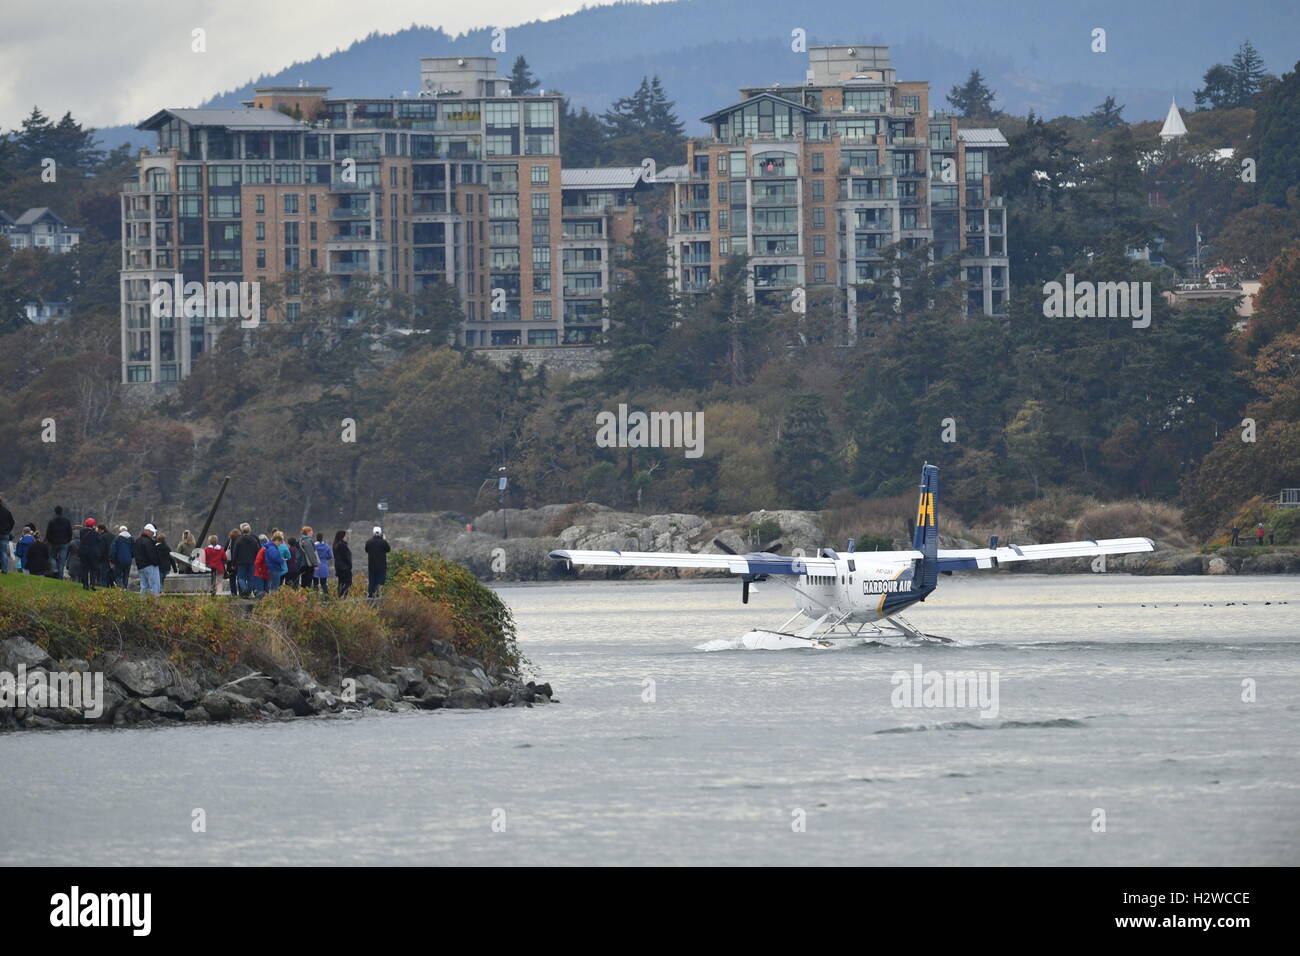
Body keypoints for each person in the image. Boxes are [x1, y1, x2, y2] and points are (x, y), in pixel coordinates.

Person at [231, 523, 259, 598]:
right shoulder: (254, 540)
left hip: (241, 562)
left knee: (240, 578)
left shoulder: (238, 540)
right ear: (249, 531)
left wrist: (233, 564)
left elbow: (235, 552)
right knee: (251, 578)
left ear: (242, 531)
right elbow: (257, 552)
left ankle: (244, 589)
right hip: (251, 562)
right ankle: (248, 591)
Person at [45, 505, 73, 579]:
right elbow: (70, 532)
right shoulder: (67, 521)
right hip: (64, 543)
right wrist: (68, 540)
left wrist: (50, 541)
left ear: (55, 512)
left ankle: (54, 569)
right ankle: (60, 576)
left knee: (52, 556)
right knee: (62, 560)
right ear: (62, 511)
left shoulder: (52, 521)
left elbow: (48, 533)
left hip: (54, 542)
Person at [134, 523, 161, 595]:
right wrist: (157, 563)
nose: (153, 534)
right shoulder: (148, 542)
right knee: (155, 585)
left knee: (144, 587)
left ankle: (143, 603)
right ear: (148, 531)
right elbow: (151, 555)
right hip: (150, 566)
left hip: (140, 567)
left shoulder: (138, 540)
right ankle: (155, 603)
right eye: (152, 532)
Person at [365, 526, 390, 598]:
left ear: (373, 533)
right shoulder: (383, 542)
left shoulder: (369, 542)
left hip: (371, 565)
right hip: (382, 566)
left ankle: (370, 595)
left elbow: (366, 550)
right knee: (380, 581)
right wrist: (384, 540)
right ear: (380, 533)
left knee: (372, 581)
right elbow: (388, 549)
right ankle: (379, 594)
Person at [77, 518, 102, 591]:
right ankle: (92, 584)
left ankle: (85, 585)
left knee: (85, 569)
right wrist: (96, 530)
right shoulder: (96, 533)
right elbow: (99, 540)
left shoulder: (82, 532)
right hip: (93, 553)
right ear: (93, 525)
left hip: (84, 552)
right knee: (93, 569)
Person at [111, 526, 134, 590]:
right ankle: (125, 588)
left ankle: (120, 586)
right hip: (128, 560)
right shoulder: (131, 539)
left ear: (120, 531)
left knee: (117, 575)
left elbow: (113, 550)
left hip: (119, 560)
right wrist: (131, 556)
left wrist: (112, 560)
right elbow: (133, 550)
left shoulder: (117, 539)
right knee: (126, 575)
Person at [333, 530, 352, 598]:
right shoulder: (342, 545)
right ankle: (342, 595)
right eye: (345, 536)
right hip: (345, 567)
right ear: (342, 537)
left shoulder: (335, 545)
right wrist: (349, 565)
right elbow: (346, 557)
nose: (346, 537)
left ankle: (339, 595)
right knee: (348, 582)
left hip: (338, 567)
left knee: (340, 582)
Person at [0, 494, 14, 573]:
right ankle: (5, 569)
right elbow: (12, 522)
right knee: (3, 552)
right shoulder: (6, 511)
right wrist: (8, 530)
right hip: (5, 534)